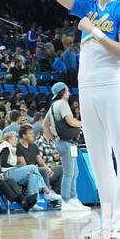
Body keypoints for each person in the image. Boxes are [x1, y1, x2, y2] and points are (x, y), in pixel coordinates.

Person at [33, 0, 120, 239]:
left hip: (113, 87)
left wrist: (94, 32)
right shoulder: (88, 6)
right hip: (88, 91)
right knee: (98, 159)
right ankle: (107, 221)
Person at [42, 81, 88, 215]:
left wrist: (53, 138)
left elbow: (45, 125)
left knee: (74, 172)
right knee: (69, 173)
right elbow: (71, 121)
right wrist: (85, 123)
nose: (69, 92)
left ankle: (74, 199)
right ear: (62, 92)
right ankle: (66, 201)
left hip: (65, 143)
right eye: (67, 90)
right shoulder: (62, 104)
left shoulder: (52, 106)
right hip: (66, 143)